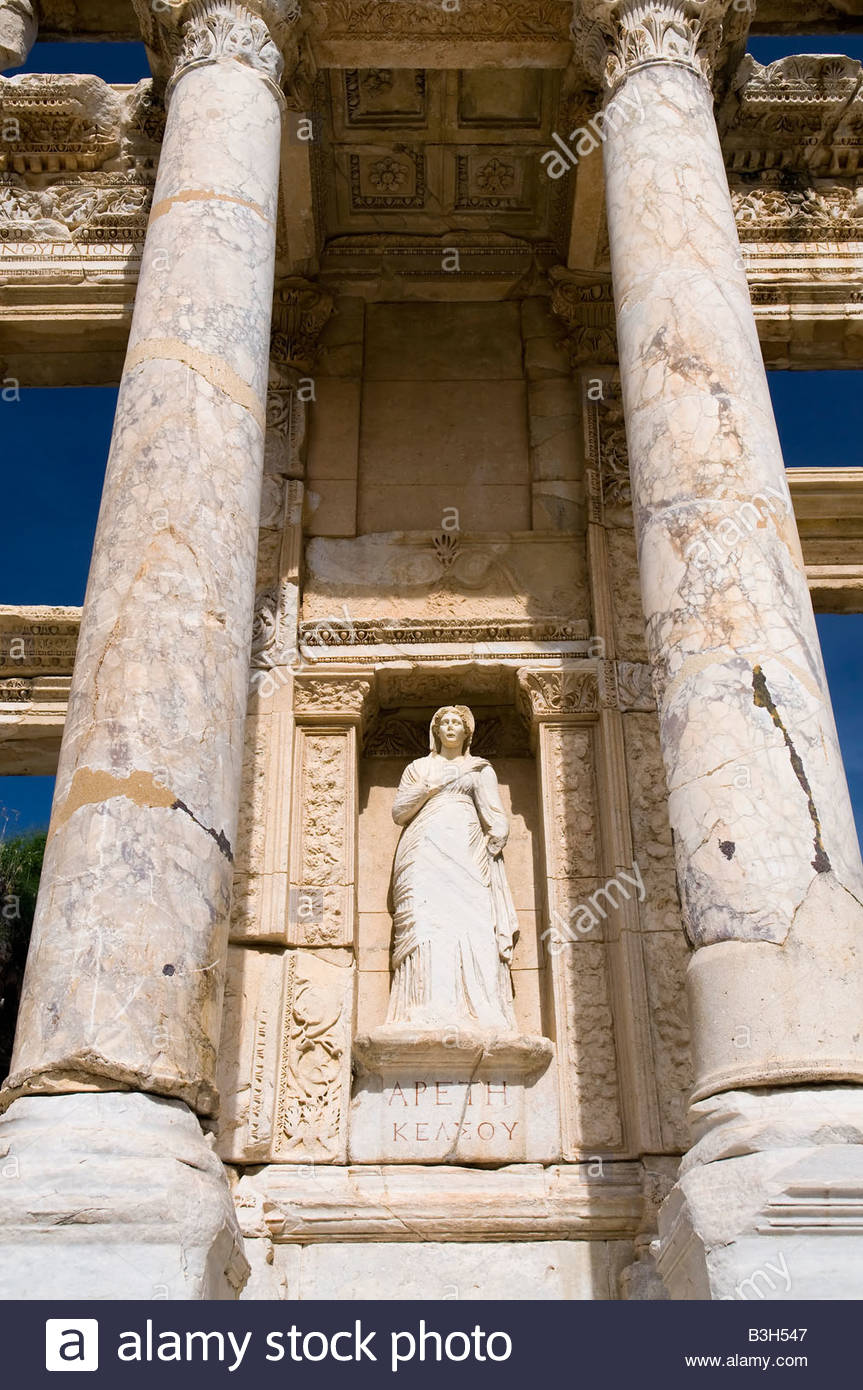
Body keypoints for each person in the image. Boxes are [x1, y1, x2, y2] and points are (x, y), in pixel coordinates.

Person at [386, 704, 519, 1031]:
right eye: (443, 722)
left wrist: (498, 834)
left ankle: (480, 1007)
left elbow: (495, 814)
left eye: (456, 722)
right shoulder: (418, 768)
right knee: (425, 922)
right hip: (422, 852)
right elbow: (399, 812)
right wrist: (429, 787)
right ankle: (423, 1007)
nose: (449, 727)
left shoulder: (478, 769)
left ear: (466, 732)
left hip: (465, 852)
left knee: (473, 922)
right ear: (435, 731)